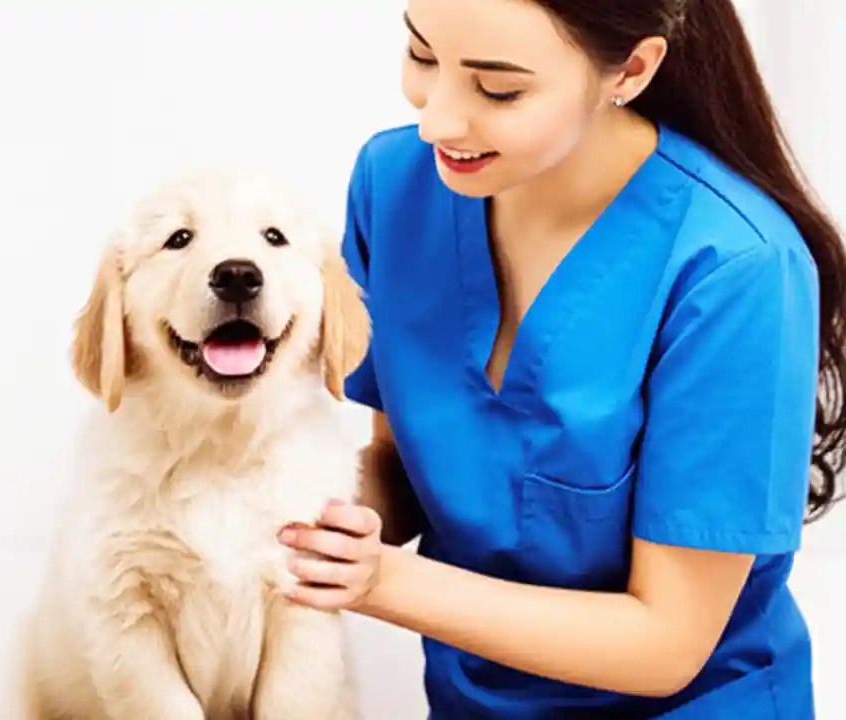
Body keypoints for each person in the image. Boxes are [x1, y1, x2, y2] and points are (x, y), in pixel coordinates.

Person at [275, 0, 846, 717]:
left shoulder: (737, 267)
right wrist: (302, 521)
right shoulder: (396, 184)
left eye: (498, 89)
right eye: (422, 56)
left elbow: (666, 642)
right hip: (468, 701)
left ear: (631, 70)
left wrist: (378, 580)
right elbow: (403, 467)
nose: (436, 121)